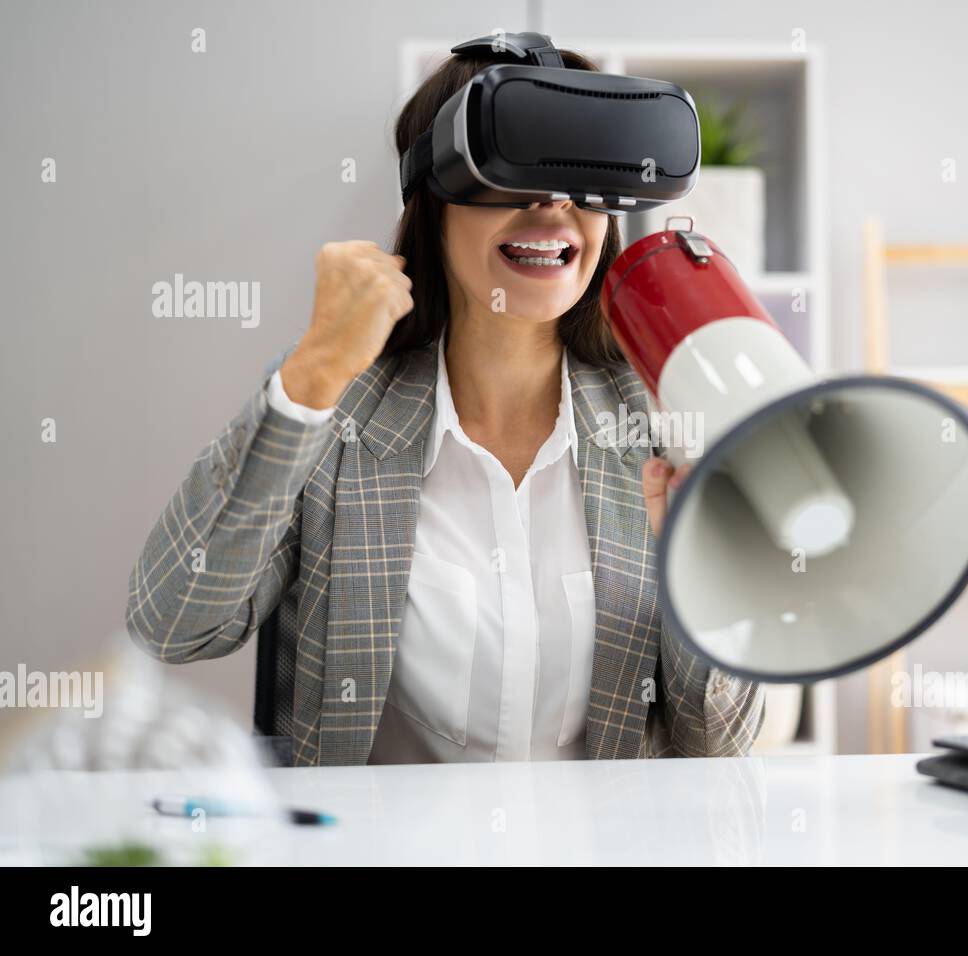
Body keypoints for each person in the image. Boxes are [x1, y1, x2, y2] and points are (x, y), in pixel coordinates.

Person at [125, 42, 765, 766]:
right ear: (432, 194)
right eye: (517, 167)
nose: (551, 207)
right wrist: (309, 379)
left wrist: (702, 573)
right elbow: (173, 623)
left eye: (582, 178)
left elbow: (722, 743)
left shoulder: (661, 425)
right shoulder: (336, 411)